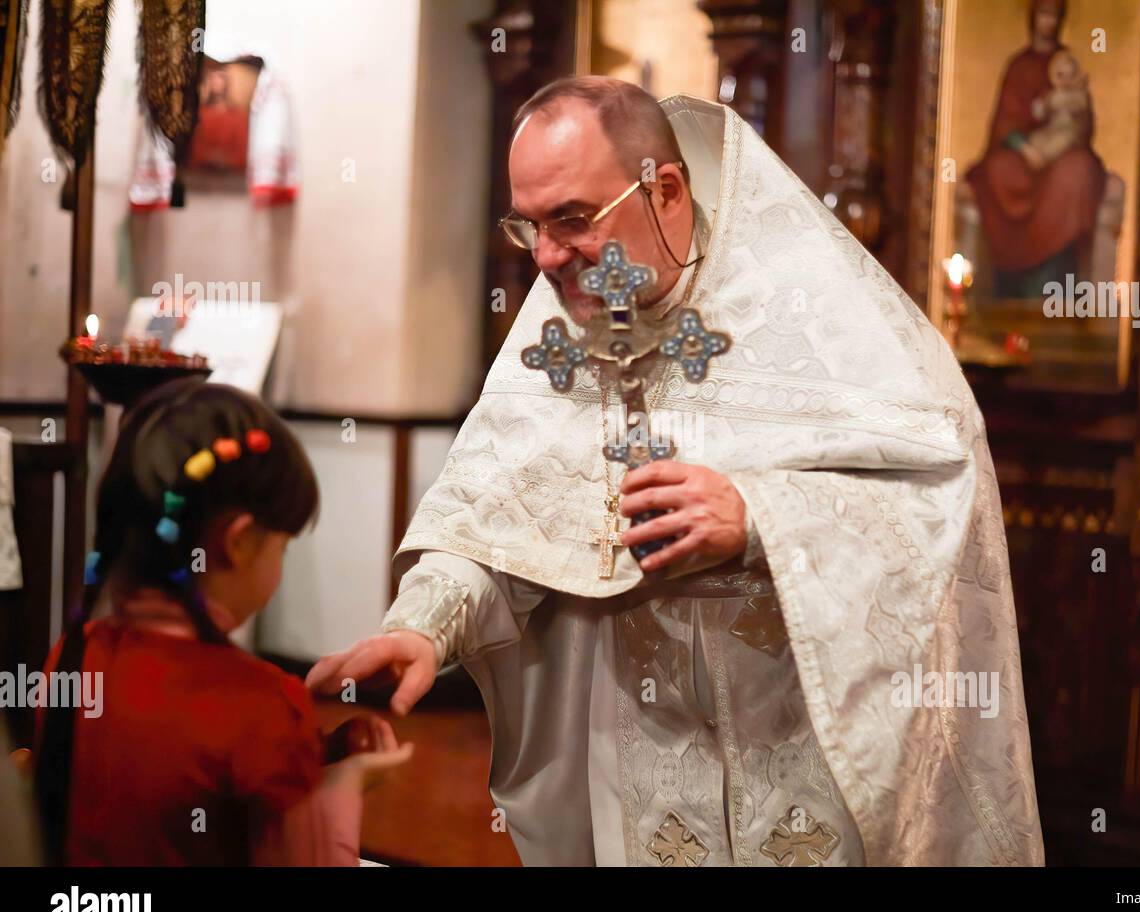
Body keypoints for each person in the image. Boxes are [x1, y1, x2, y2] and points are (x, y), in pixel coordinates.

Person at [309, 77, 1044, 866]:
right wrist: (425, 624)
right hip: (639, 745)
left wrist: (760, 516)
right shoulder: (563, 324)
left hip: (806, 743)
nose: (548, 258)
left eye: (573, 220)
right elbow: (501, 514)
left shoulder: (812, 301)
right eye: (529, 226)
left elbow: (939, 486)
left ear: (664, 188)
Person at [35, 379, 410, 865]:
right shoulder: (264, 703)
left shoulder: (70, 657)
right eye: (283, 546)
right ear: (239, 542)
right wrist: (344, 786)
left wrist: (311, 756)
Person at [964, 0, 1105, 298]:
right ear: (1032, 17)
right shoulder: (1019, 66)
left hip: (1060, 157)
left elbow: (1083, 125)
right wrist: (1027, 150)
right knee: (997, 170)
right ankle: (1012, 286)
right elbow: (1004, 125)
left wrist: (1069, 129)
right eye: (1043, 14)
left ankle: (1057, 286)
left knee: (1078, 172)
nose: (1048, 22)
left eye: (1054, 15)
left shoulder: (1068, 65)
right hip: (1023, 155)